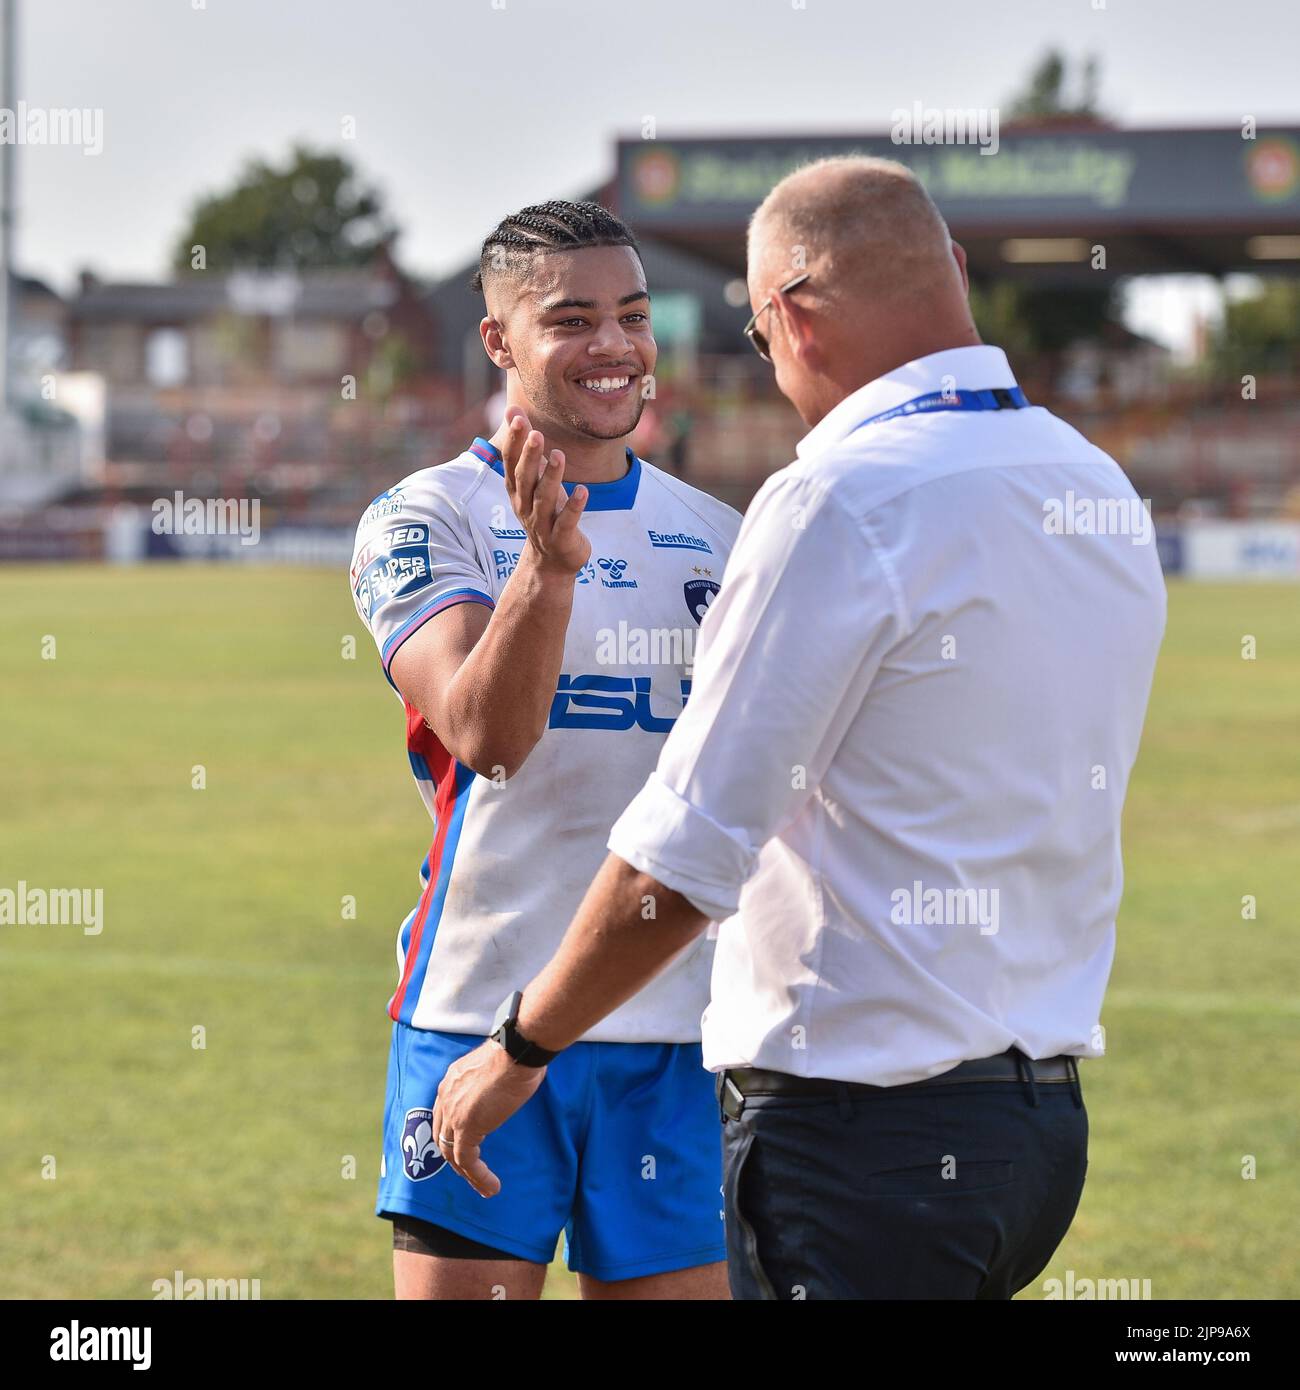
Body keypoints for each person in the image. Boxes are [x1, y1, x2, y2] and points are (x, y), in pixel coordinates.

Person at [430, 158, 1168, 1300]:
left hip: (860, 1132)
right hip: (1038, 1129)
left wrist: (519, 1044)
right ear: (955, 273)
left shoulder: (839, 496)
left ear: (787, 312)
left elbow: (680, 858)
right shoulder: (1091, 483)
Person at [349, 200, 740, 1300]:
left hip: (680, 1032)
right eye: (571, 319)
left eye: (631, 315)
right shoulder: (425, 518)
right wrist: (548, 568)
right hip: (477, 1012)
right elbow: (489, 738)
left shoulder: (724, 536)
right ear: (499, 340)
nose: (613, 346)